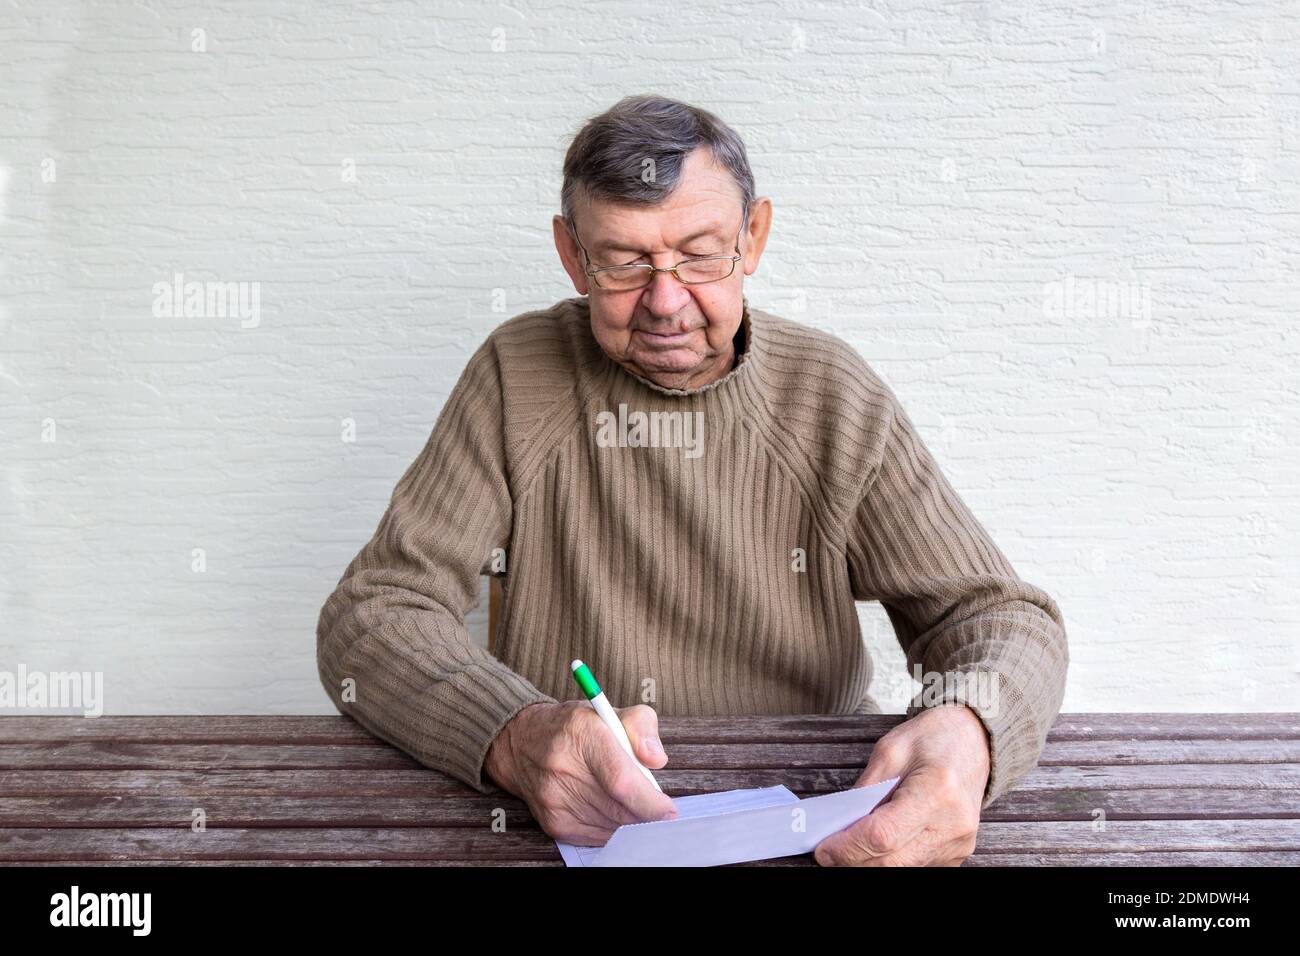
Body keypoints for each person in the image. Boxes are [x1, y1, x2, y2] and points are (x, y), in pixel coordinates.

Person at [316, 93, 1068, 866]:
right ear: (572, 255)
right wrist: (515, 732)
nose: (666, 301)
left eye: (701, 254)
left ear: (755, 238)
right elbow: (370, 616)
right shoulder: (519, 374)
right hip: (577, 827)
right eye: (623, 262)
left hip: (815, 818)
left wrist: (969, 727)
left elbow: (1003, 618)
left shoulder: (831, 393)